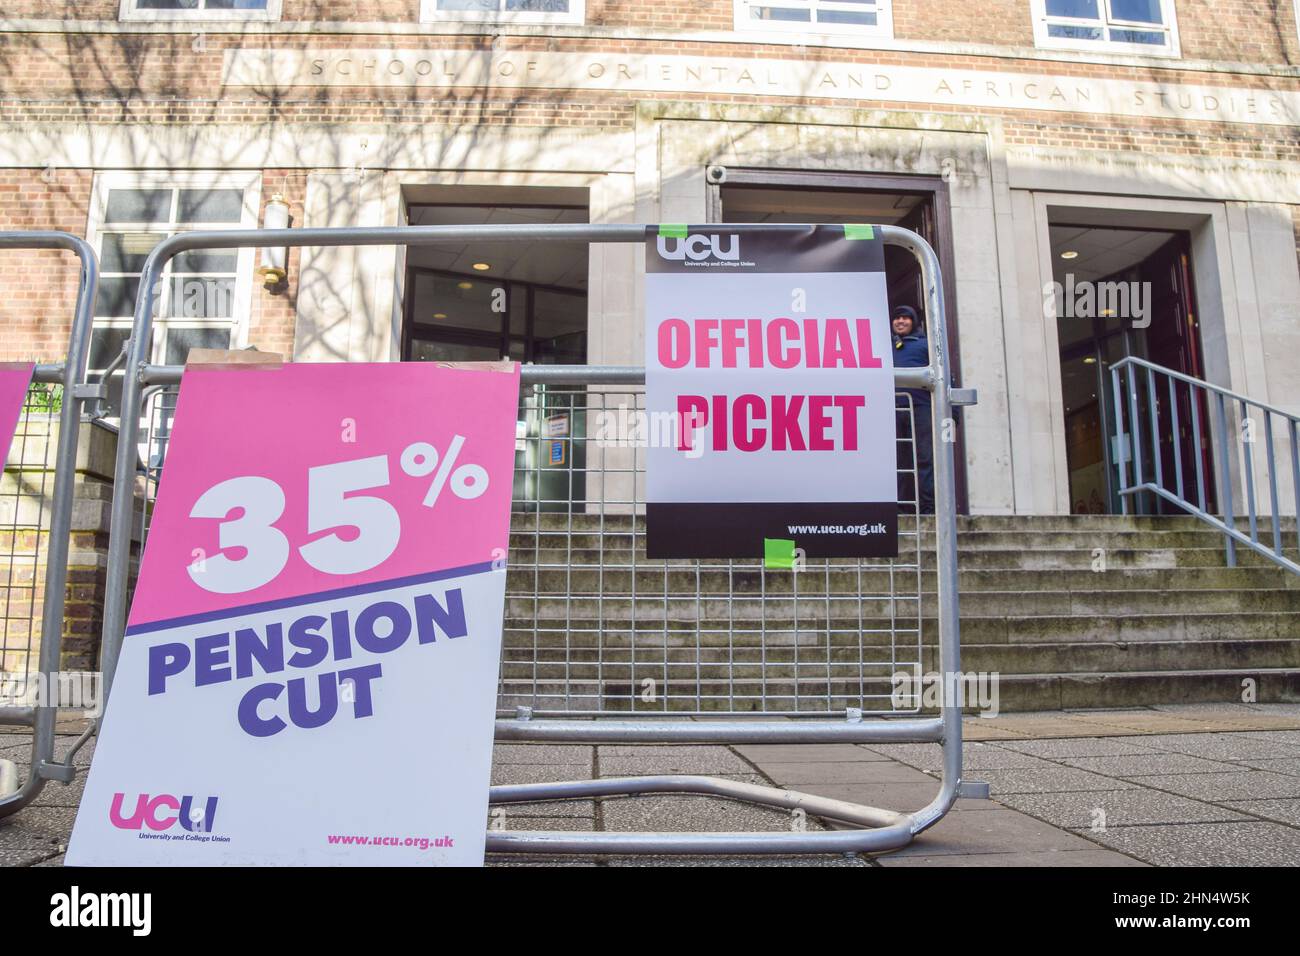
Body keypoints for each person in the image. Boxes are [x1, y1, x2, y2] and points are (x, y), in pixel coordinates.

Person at [891, 304, 935, 515]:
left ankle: (928, 508)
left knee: (925, 456)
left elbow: (944, 376)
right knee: (896, 459)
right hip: (892, 408)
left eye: (905, 318)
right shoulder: (886, 346)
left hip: (921, 408)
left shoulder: (927, 345)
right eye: (897, 318)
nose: (900, 321)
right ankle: (898, 506)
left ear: (913, 321)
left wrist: (952, 415)